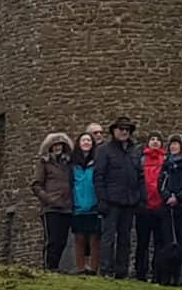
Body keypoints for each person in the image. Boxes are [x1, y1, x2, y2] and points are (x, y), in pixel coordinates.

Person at [93, 115, 145, 279]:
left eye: (127, 129)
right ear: (114, 131)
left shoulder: (134, 151)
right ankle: (106, 270)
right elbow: (99, 176)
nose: (124, 132)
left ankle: (121, 271)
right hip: (111, 201)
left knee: (125, 238)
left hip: (129, 201)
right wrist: (102, 199)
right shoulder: (104, 151)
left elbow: (140, 175)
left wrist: (139, 197)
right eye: (121, 129)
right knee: (108, 237)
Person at [29, 132, 74, 271]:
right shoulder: (44, 163)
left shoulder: (68, 164)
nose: (58, 147)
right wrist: (47, 199)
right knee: (52, 240)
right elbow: (36, 184)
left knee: (62, 241)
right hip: (51, 208)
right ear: (50, 147)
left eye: (60, 145)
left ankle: (55, 267)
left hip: (66, 207)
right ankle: (49, 268)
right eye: (55, 145)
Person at [157, 134, 182, 285]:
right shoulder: (166, 164)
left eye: (176, 144)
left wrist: (178, 197)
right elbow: (160, 183)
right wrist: (166, 196)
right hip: (167, 207)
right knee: (167, 242)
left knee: (181, 241)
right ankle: (165, 276)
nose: (173, 147)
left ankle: (178, 276)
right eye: (171, 144)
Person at [135, 132, 166, 282]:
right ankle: (140, 273)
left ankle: (157, 273)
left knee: (160, 243)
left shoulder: (165, 161)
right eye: (152, 139)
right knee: (142, 242)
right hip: (144, 206)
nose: (155, 142)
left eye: (157, 140)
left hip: (160, 206)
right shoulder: (141, 160)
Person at [69, 132, 101, 275]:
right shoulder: (72, 164)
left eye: (89, 140)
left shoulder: (97, 162)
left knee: (94, 238)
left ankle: (93, 268)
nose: (86, 143)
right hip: (77, 205)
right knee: (79, 238)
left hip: (94, 204)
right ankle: (80, 268)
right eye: (83, 140)